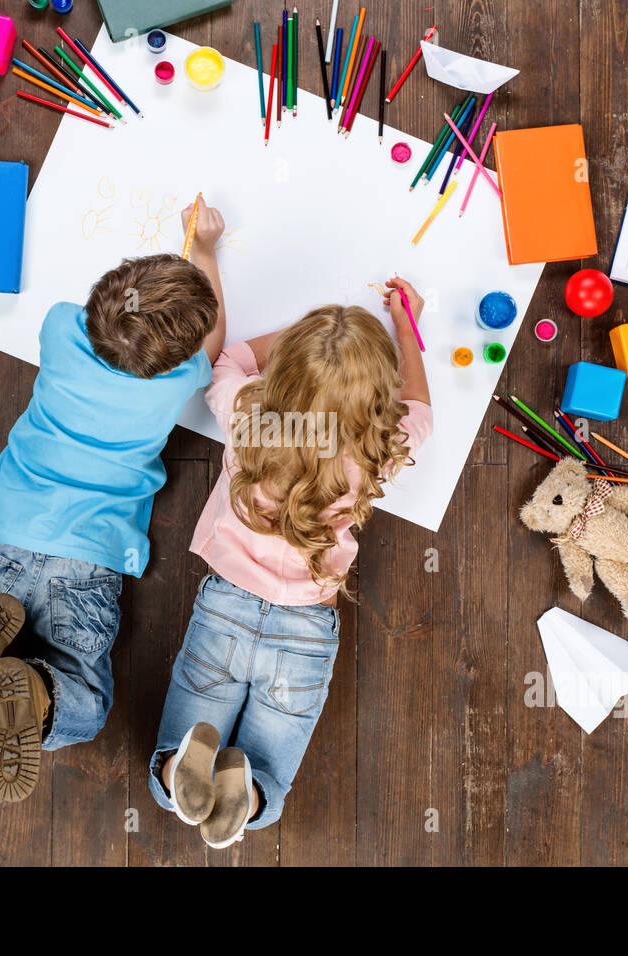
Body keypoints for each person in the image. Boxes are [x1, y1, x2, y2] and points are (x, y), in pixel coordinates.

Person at [0, 200, 227, 802]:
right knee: (82, 708)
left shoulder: (62, 325)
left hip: (7, 532)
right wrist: (204, 249)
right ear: (178, 359)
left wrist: (165, 274)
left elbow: (126, 314)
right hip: (87, 561)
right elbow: (216, 338)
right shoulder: (181, 378)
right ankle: (33, 689)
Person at [148, 279, 432, 846]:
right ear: (379, 393)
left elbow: (230, 356)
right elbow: (421, 406)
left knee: (175, 754)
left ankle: (182, 771)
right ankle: (247, 796)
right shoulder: (383, 442)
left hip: (224, 609)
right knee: (271, 775)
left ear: (284, 374)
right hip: (305, 628)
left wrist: (313, 337)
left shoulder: (250, 415)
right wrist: (403, 326)